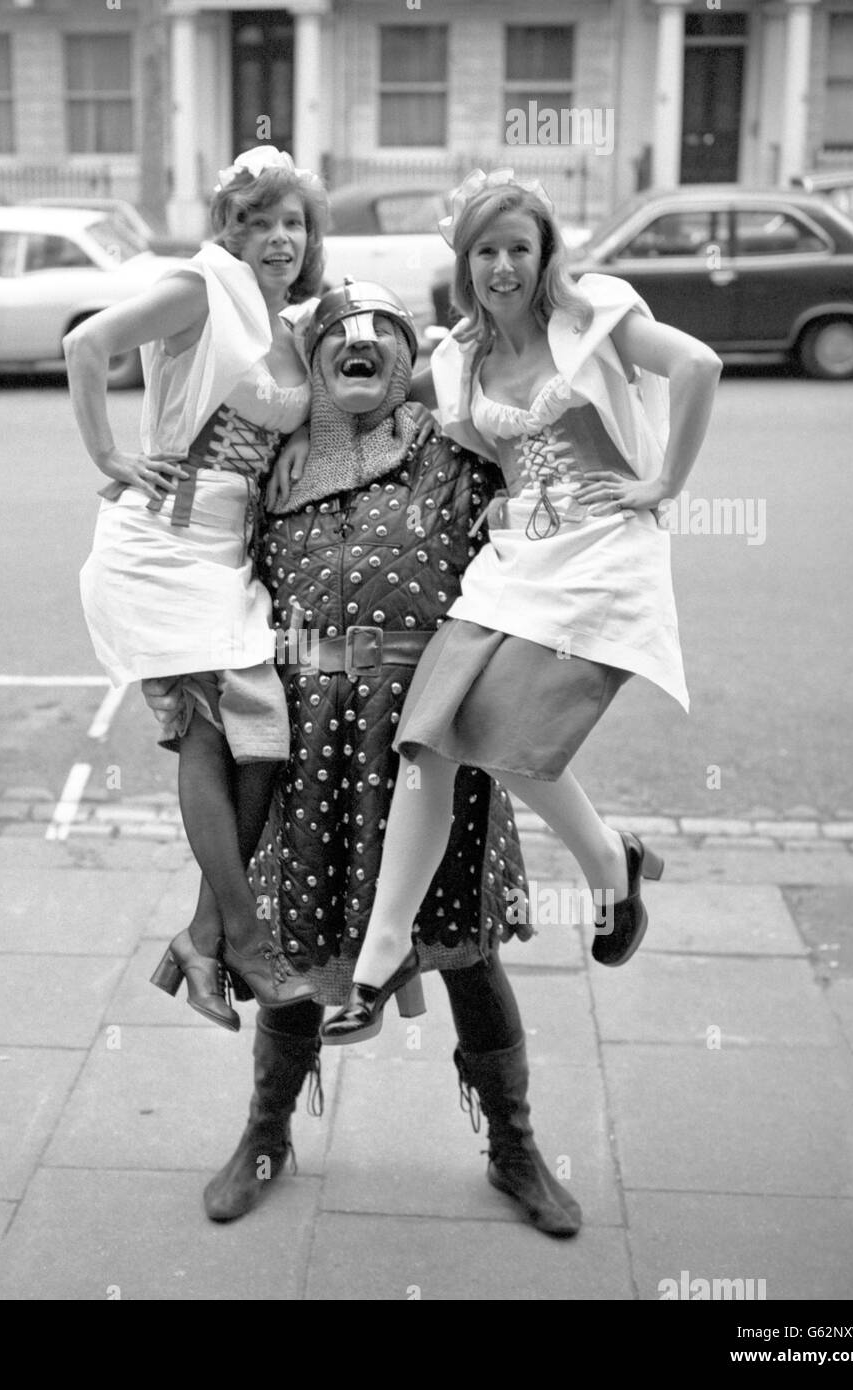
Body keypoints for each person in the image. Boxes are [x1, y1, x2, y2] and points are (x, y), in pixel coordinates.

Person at [169, 280, 582, 1237]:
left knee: (464, 950)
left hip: (428, 729)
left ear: (407, 358)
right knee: (293, 947)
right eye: (340, 341)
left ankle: (514, 1147)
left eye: (381, 339)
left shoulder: (454, 449)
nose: (360, 351)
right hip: (306, 730)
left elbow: (545, 519)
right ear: (312, 363)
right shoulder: (273, 463)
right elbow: (192, 551)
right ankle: (265, 1133)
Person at [322, 169, 722, 1043]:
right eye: (486, 251)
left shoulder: (595, 319)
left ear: (544, 256)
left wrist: (665, 483)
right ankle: (376, 965)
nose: (503, 265)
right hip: (520, 560)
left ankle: (610, 865)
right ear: (464, 263)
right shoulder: (462, 356)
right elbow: (377, 393)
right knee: (427, 734)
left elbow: (699, 364)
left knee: (498, 736)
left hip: (604, 556)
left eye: (519, 248)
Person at [65, 146, 326, 1018]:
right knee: (220, 738)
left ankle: (202, 937)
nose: (279, 238)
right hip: (162, 546)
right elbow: (86, 343)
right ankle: (241, 941)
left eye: (293, 223)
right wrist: (107, 454)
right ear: (229, 228)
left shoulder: (286, 316)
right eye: (260, 222)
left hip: (223, 554)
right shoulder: (199, 287)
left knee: (262, 741)